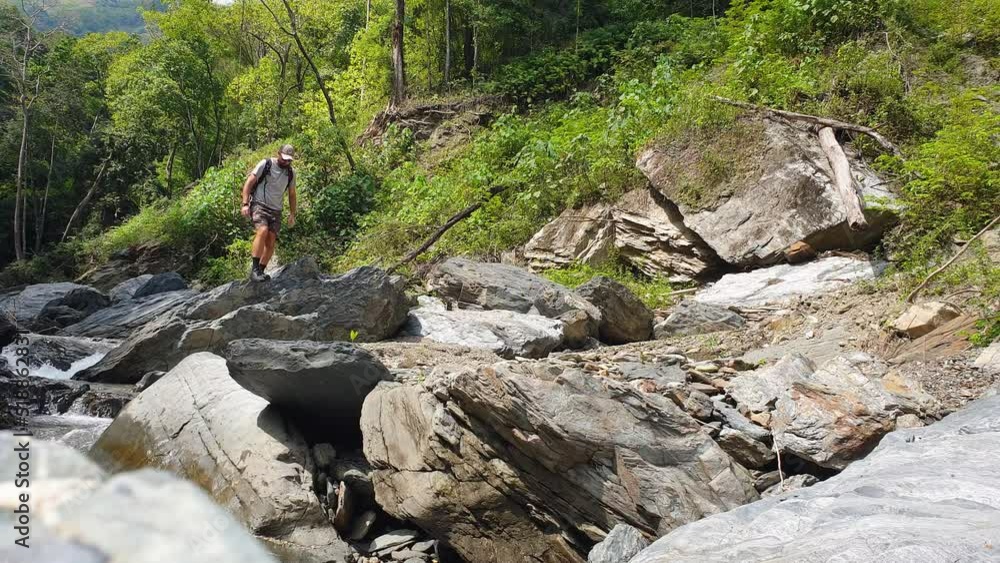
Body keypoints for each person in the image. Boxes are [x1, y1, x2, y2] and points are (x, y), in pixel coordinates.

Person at [241, 144, 297, 282]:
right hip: (259, 204)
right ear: (278, 154)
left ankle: (260, 270)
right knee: (263, 231)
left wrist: (292, 213)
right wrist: (245, 204)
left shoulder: (290, 173)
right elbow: (249, 182)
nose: (286, 162)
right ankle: (254, 269)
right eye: (284, 159)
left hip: (276, 210)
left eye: (289, 160)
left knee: (271, 240)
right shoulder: (266, 164)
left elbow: (292, 194)